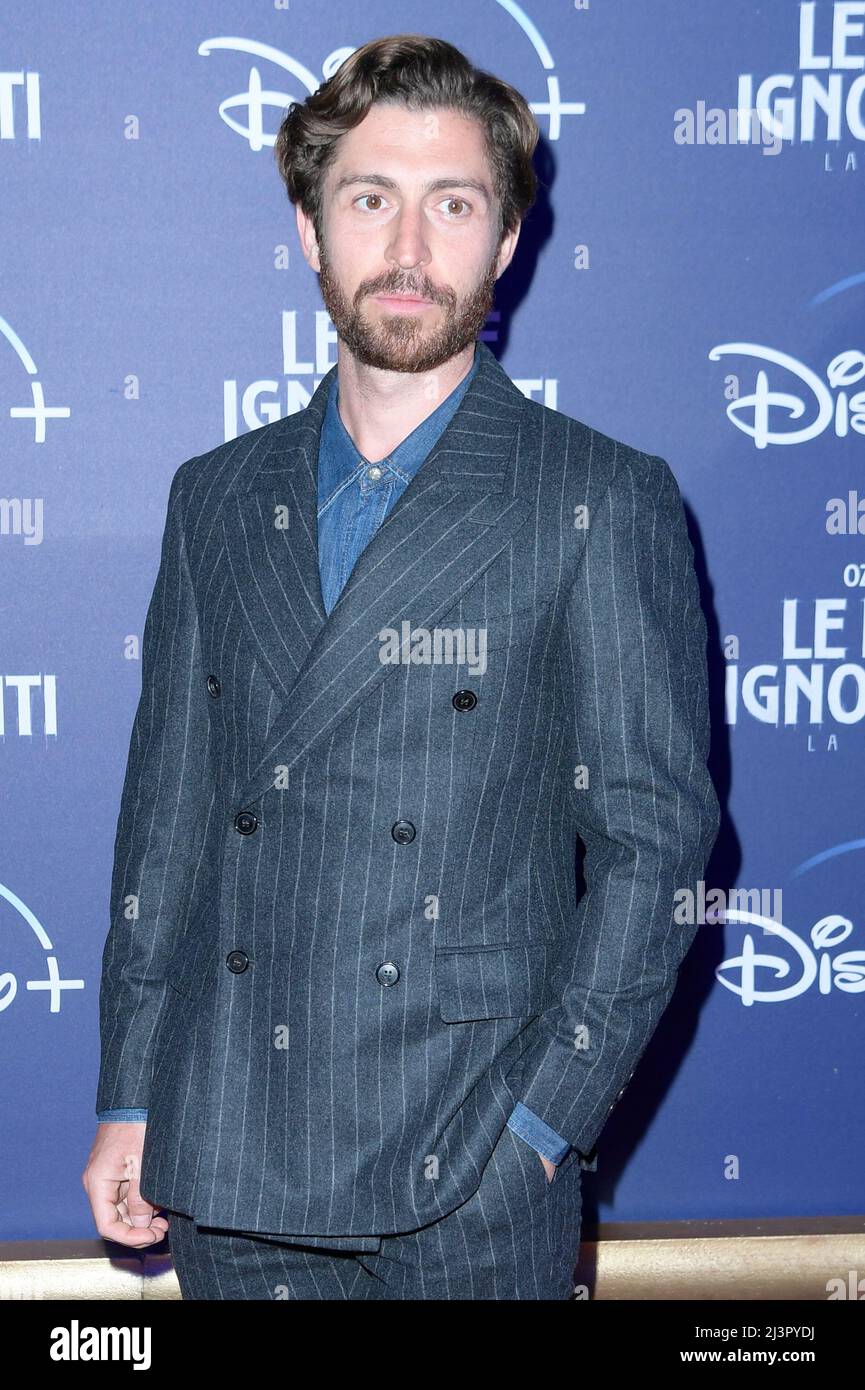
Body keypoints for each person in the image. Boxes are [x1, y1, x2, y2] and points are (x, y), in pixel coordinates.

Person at [82, 33, 720, 1300]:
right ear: (314, 236)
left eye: (455, 204)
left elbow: (657, 843)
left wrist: (541, 1125)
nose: (411, 249)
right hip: (232, 1146)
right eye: (371, 200)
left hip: (461, 1166)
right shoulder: (214, 498)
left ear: (507, 242)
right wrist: (132, 1092)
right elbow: (168, 826)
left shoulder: (596, 497)